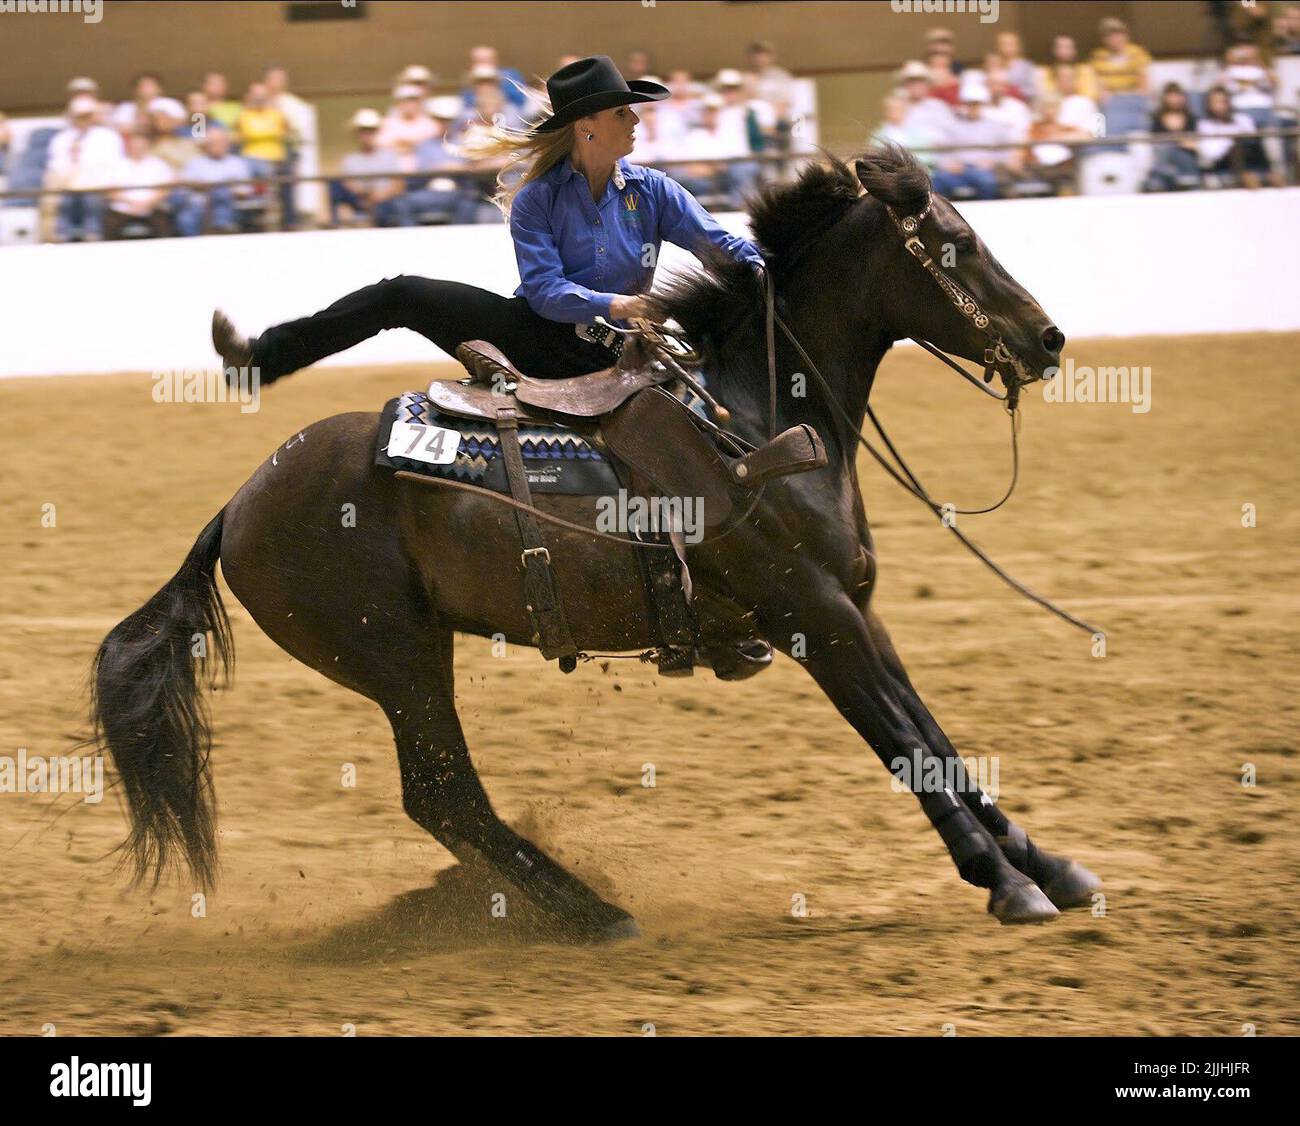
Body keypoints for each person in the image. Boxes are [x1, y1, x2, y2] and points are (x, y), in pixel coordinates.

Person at [212, 55, 764, 384]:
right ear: (586, 126)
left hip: (623, 345)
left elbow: (716, 243)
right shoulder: (538, 200)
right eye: (622, 110)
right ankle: (261, 360)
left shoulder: (655, 192)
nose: (635, 119)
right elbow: (546, 292)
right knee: (401, 293)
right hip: (537, 337)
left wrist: (765, 265)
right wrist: (616, 303)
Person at [46, 93, 124, 241]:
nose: (83, 120)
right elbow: (56, 166)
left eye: (87, 116)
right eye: (79, 116)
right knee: (63, 201)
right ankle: (61, 238)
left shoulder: (108, 136)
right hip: (68, 184)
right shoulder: (62, 138)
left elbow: (114, 164)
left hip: (99, 185)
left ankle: (93, 236)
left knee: (91, 199)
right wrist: (73, 158)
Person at [175, 126, 253, 235]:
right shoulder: (195, 163)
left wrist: (219, 189)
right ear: (206, 145)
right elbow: (183, 185)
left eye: (221, 142)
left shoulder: (237, 163)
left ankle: (220, 229)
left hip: (229, 205)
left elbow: (244, 191)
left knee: (221, 194)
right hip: (198, 205)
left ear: (227, 144)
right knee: (185, 219)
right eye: (213, 143)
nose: (218, 146)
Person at [104, 129, 174, 239]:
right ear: (129, 146)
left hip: (153, 208)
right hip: (122, 209)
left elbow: (165, 189)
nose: (137, 148)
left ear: (147, 146)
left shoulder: (159, 165)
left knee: (165, 227)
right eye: (134, 145)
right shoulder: (116, 165)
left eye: (141, 146)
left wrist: (147, 203)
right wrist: (132, 203)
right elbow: (109, 191)